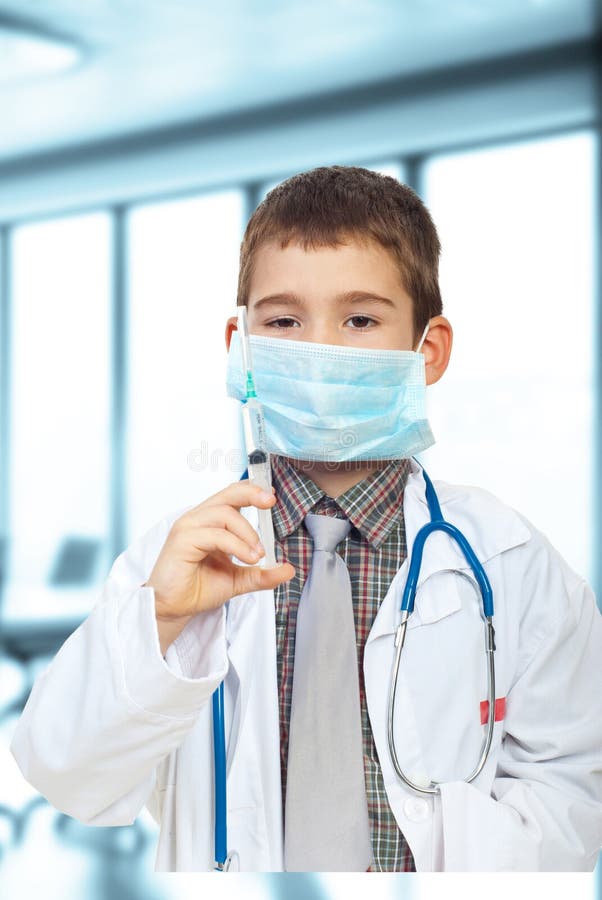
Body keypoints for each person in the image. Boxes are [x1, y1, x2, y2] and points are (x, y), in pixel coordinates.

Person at [10, 166, 602, 872]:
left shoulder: (513, 562)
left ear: (429, 351)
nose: (320, 351)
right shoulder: (175, 561)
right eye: (284, 322)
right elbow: (67, 774)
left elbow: (573, 792)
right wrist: (160, 620)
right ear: (241, 346)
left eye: (361, 319)